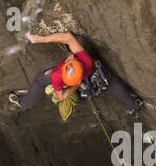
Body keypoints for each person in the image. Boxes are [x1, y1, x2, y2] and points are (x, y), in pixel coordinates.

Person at [9, 31, 141, 119]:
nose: (70, 58)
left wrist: (74, 86)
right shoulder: (85, 61)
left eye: (70, 60)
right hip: (92, 74)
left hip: (79, 82)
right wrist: (42, 39)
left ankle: (24, 103)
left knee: (39, 81)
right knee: (110, 82)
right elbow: (68, 37)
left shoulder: (56, 76)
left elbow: (61, 97)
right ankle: (133, 105)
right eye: (71, 60)